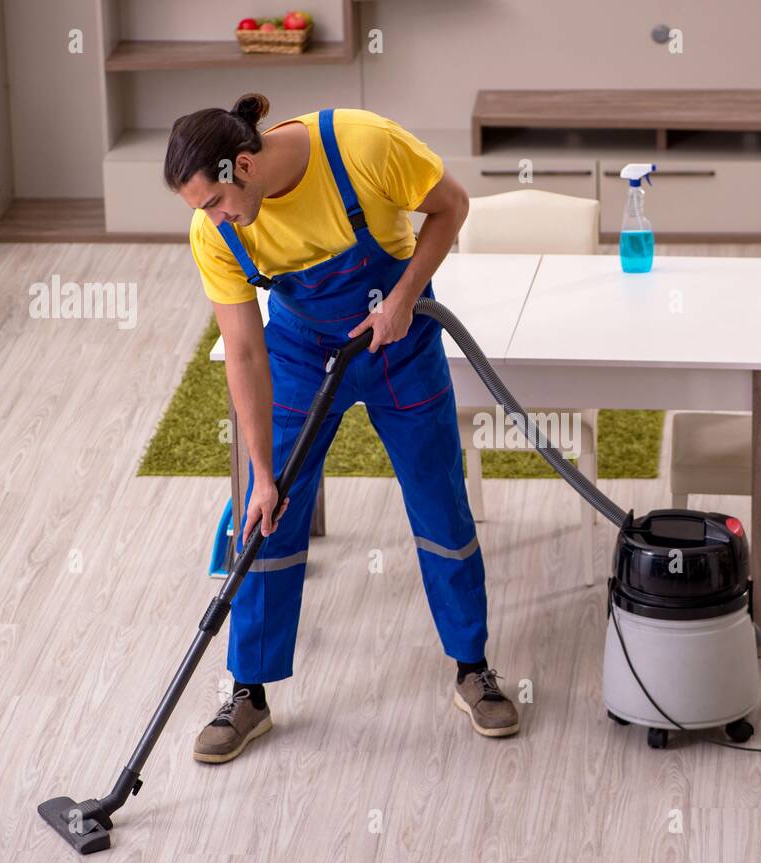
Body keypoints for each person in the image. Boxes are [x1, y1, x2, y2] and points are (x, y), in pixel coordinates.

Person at [164, 94, 519, 762]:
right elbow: (243, 350)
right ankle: (249, 692)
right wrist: (263, 473)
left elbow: (453, 207)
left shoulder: (361, 145)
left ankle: (473, 667)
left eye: (214, 202)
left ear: (244, 164)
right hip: (300, 352)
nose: (211, 220)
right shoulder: (214, 232)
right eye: (199, 211)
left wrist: (407, 298)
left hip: (399, 343)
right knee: (264, 514)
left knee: (439, 499)